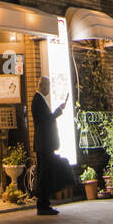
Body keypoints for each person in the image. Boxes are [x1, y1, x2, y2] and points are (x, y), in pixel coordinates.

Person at [30, 76, 67, 216]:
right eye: (48, 86)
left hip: (44, 144)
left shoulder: (38, 100)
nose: (49, 89)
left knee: (45, 174)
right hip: (44, 144)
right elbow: (47, 120)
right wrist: (58, 110)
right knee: (44, 175)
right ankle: (43, 205)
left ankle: (44, 204)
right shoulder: (38, 100)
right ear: (43, 85)